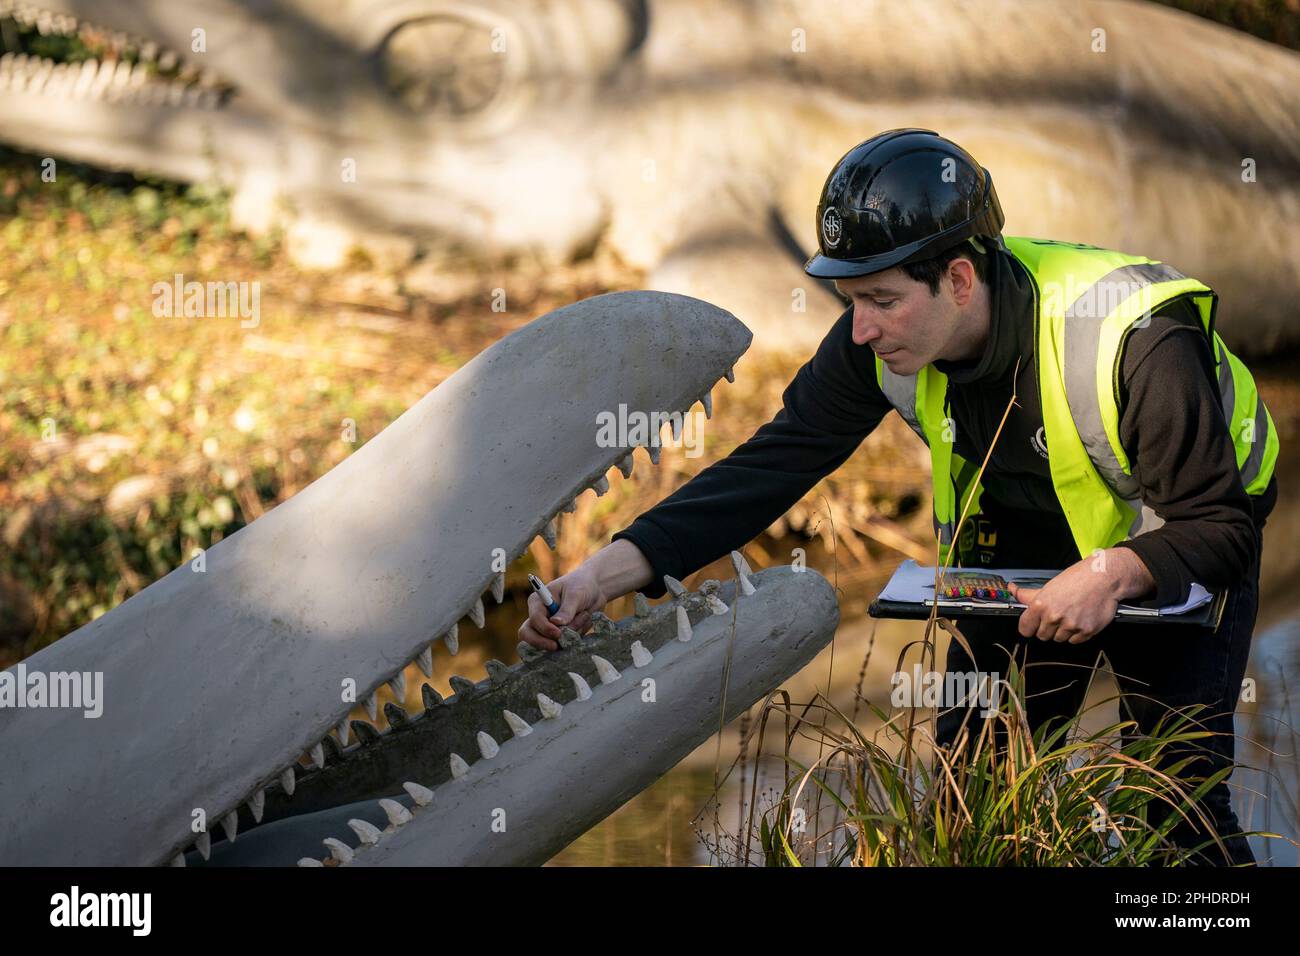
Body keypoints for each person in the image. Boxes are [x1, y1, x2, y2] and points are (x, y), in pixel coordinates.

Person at [519, 128, 1280, 864]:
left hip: (1177, 536)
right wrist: (599, 576)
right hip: (1020, 540)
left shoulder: (1136, 334)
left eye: (882, 300)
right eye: (850, 300)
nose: (860, 330)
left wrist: (1112, 572)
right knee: (974, 792)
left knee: (1177, 811)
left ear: (957, 278)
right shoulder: (875, 342)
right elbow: (766, 470)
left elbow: (1220, 527)